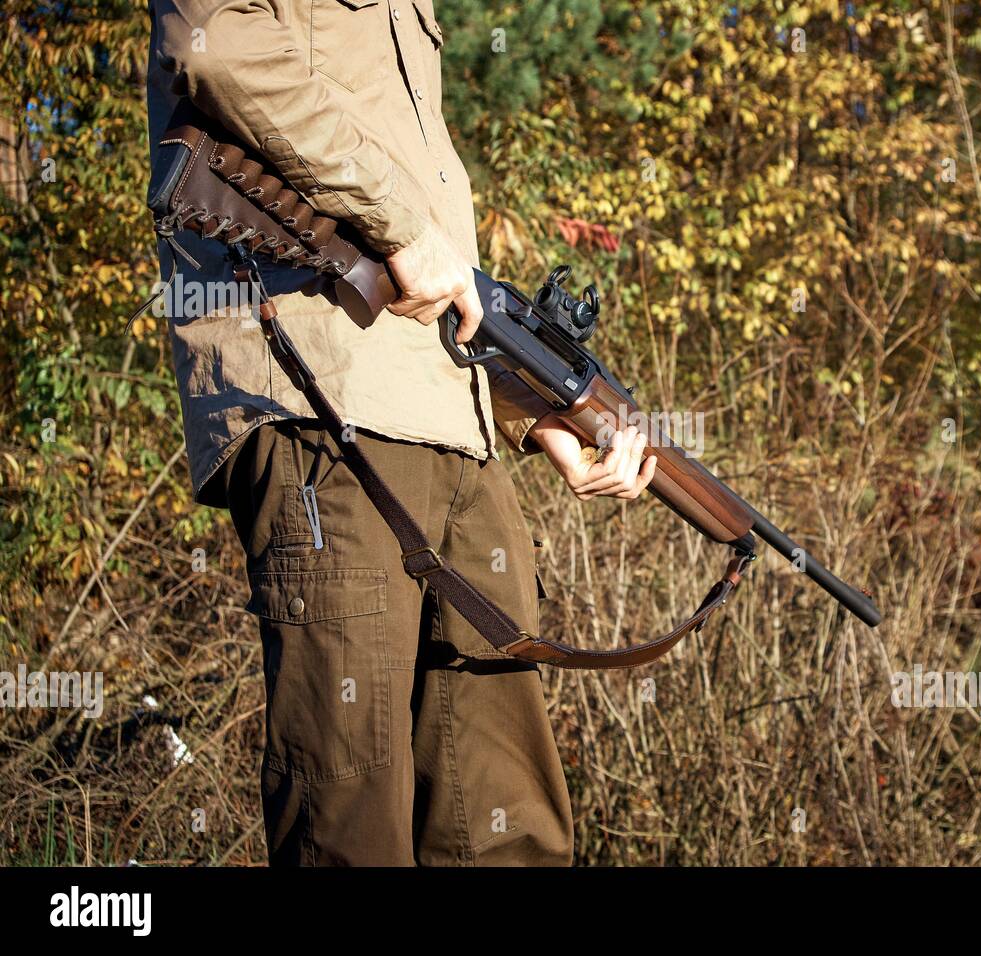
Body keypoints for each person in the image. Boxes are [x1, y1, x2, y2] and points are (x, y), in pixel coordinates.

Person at [146, 0, 656, 866]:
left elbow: (433, 288)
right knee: (353, 814)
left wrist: (534, 415)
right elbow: (218, 47)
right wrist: (400, 219)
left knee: (507, 819)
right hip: (324, 402)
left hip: (451, 429)